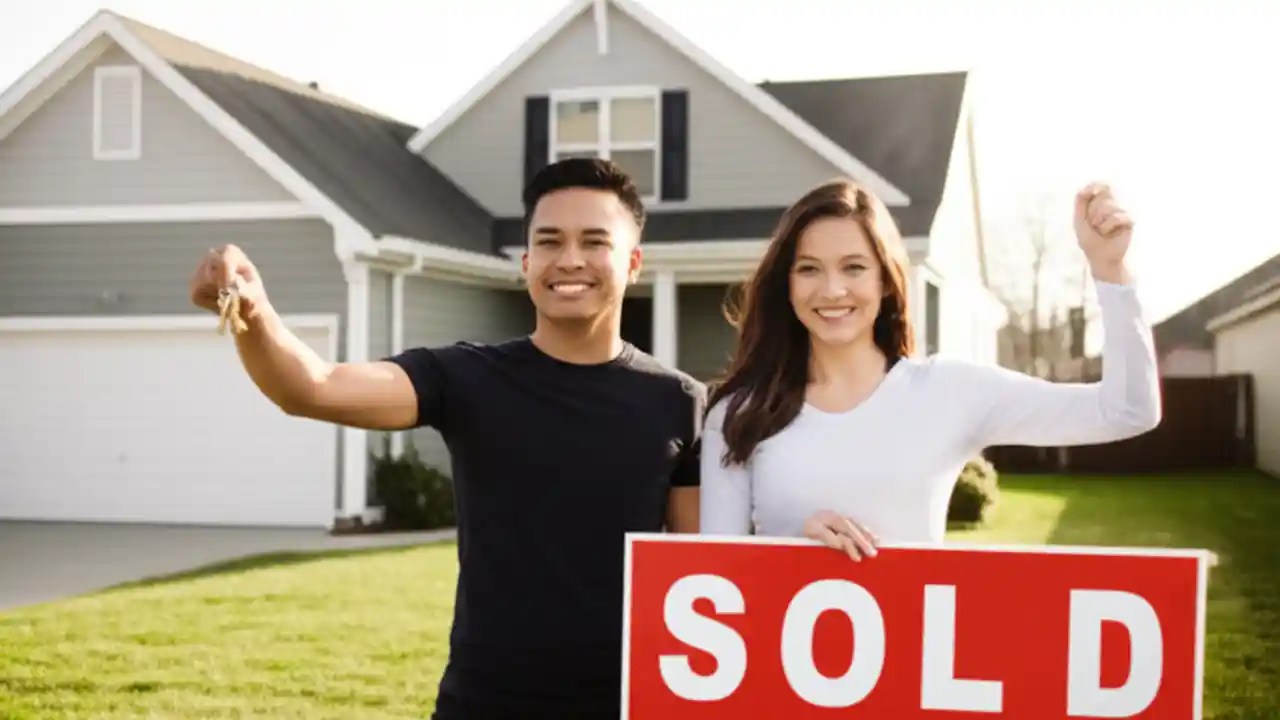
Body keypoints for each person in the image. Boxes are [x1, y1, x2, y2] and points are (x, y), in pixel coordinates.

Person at [188, 158, 705, 719]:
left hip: (630, 705)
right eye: (550, 241)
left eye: (594, 241)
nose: (570, 259)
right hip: (485, 704)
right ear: (526, 263)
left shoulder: (679, 402)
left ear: (632, 264)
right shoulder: (467, 378)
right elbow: (313, 387)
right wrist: (254, 310)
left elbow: (699, 574)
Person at [698, 178, 1161, 558]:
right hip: (777, 668)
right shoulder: (739, 414)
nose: (832, 289)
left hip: (918, 668)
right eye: (809, 269)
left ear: (885, 281)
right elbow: (715, 582)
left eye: (854, 267)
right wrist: (797, 550)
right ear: (787, 284)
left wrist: (1109, 270)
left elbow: (1128, 410)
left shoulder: (949, 392)